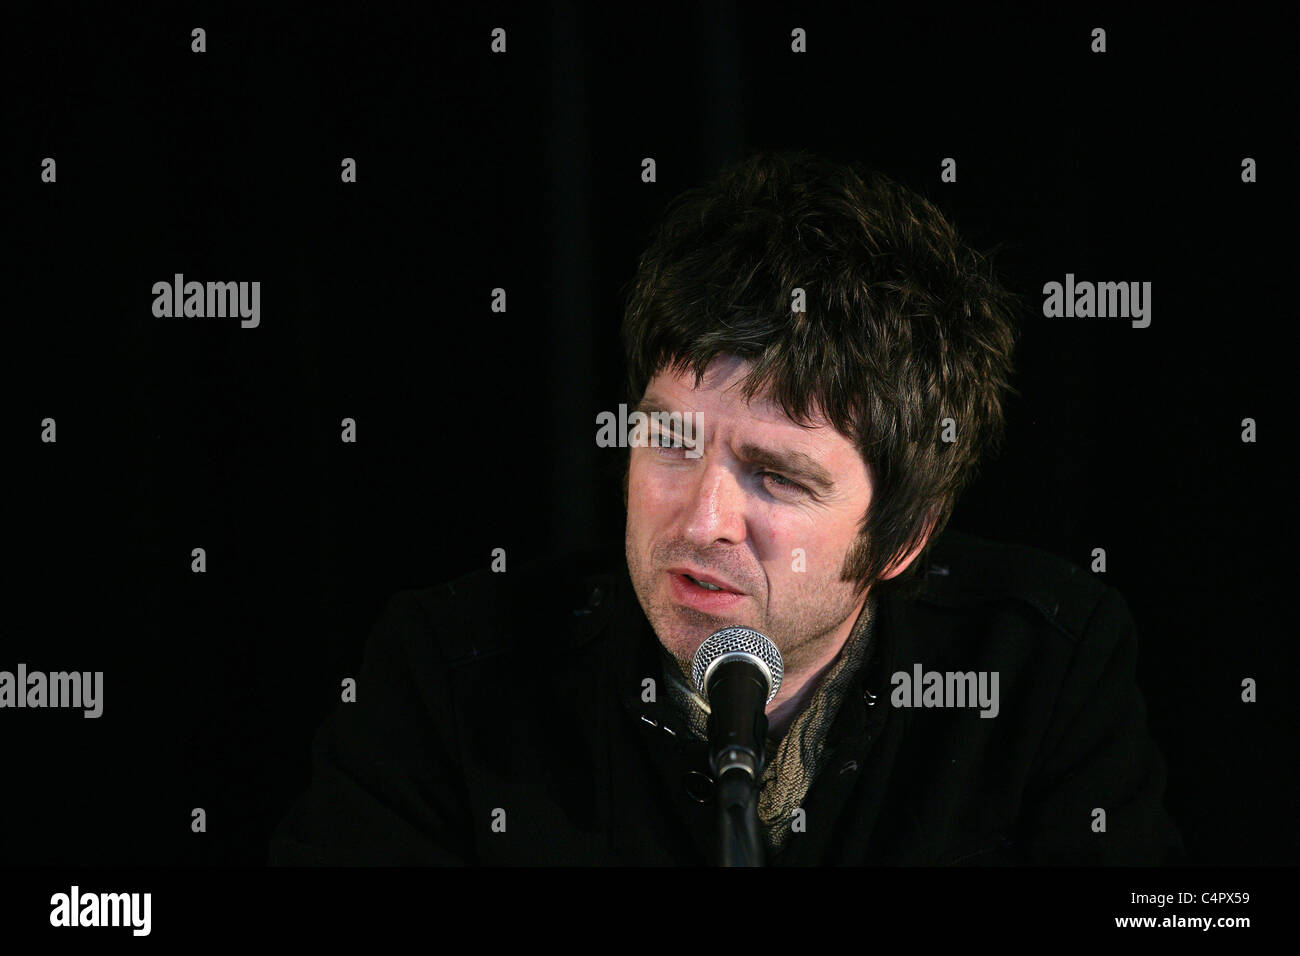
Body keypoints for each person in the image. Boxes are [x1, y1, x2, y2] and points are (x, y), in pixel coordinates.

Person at [269, 150, 1182, 866]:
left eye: (776, 477)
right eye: (670, 441)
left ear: (902, 538)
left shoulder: (1042, 664)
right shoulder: (452, 670)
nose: (702, 519)